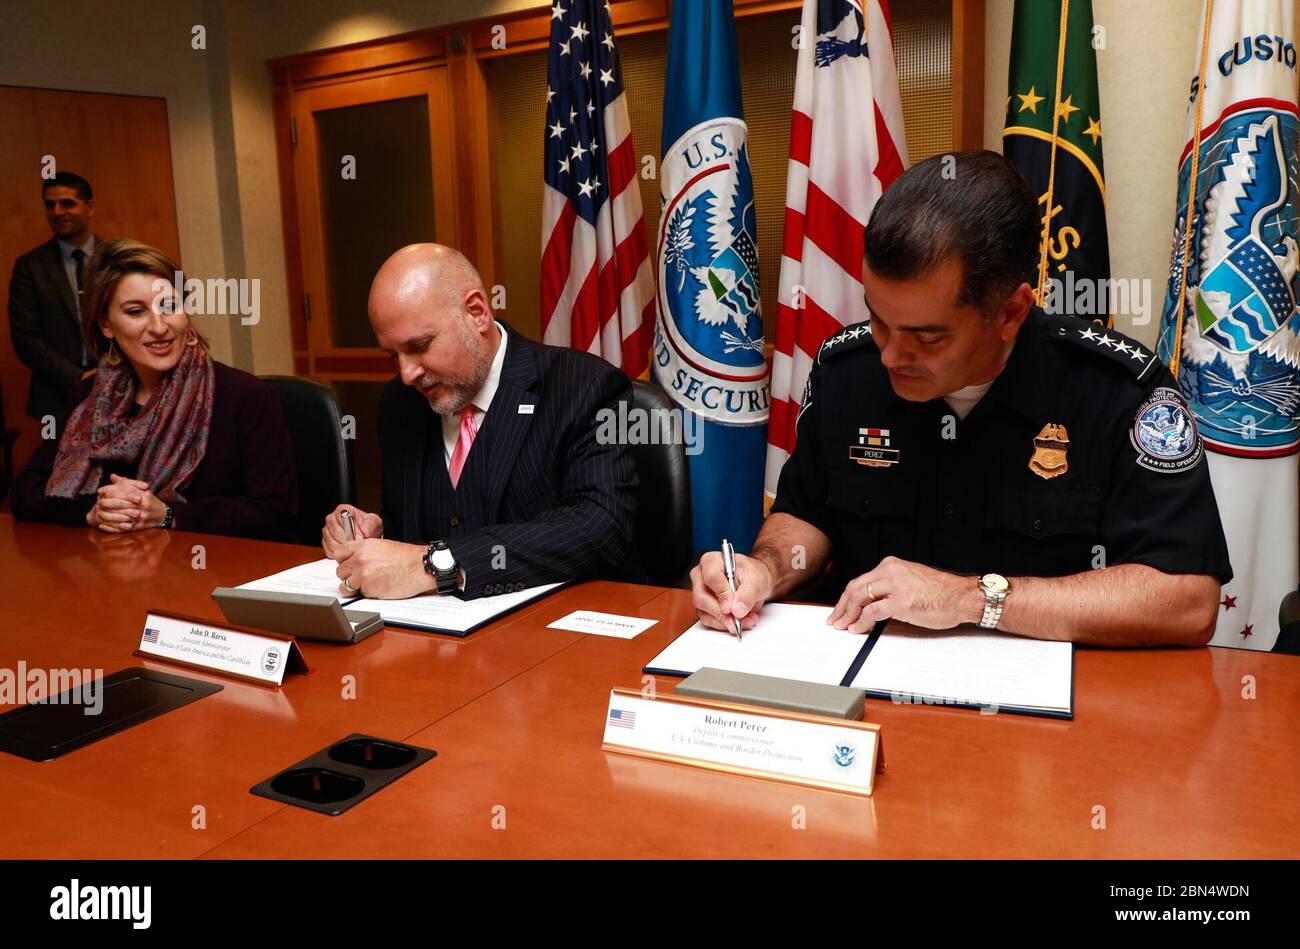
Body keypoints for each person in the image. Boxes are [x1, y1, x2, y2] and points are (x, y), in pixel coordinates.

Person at [690, 150, 1232, 647]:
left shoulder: (1118, 392)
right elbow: (806, 515)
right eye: (879, 321)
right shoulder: (845, 372)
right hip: (862, 684)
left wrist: (971, 598)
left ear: (1011, 313)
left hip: (1051, 719)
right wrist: (765, 569)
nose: (890, 356)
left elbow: (1186, 600)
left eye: (928, 338)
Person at [321, 243, 637, 600]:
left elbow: (599, 527)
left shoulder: (583, 386)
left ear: (476, 312)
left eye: (420, 346)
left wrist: (437, 566)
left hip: (546, 629)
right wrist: (374, 535)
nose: (406, 373)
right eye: (393, 355)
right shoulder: (399, 403)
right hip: (426, 634)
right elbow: (410, 532)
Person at [11, 239, 298, 541]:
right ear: (106, 324)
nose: (159, 327)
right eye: (136, 312)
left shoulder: (246, 397)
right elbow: (25, 492)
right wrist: (92, 510)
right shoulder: (88, 397)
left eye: (170, 306)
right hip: (110, 575)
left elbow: (276, 515)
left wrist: (168, 515)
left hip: (209, 574)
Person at [9, 172, 103, 420]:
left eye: (67, 203)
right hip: (57, 396)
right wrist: (77, 377)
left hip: (115, 387)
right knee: (57, 460)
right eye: (50, 204)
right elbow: (26, 339)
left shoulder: (115, 259)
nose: (57, 211)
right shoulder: (30, 267)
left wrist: (106, 373)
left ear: (90, 206)